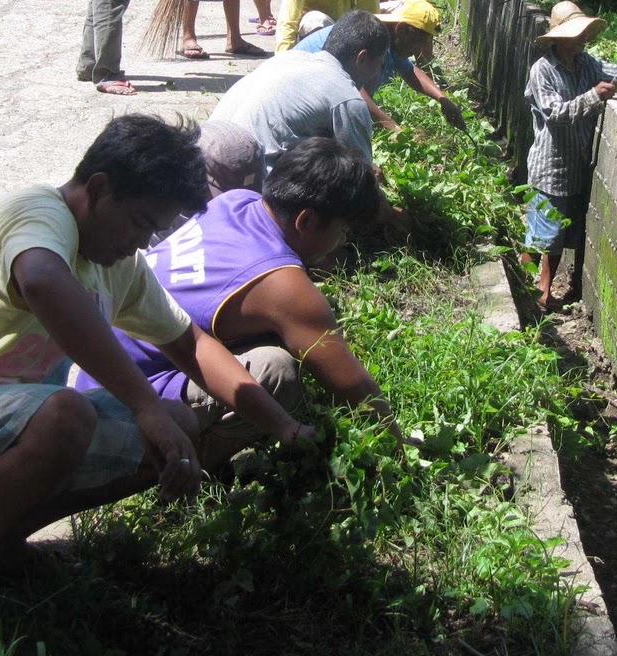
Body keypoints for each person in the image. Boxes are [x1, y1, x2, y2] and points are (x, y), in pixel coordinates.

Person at [0, 115, 314, 656]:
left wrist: (284, 426)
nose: (142, 243)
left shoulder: (116, 265)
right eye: (140, 222)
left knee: (178, 423)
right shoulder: (37, 215)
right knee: (69, 415)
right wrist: (142, 404)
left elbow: (190, 344)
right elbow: (41, 280)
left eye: (154, 230)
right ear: (99, 188)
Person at [72, 138, 397, 469]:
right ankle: (179, 469)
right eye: (342, 231)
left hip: (100, 374)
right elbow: (353, 386)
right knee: (276, 371)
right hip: (124, 405)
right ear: (306, 221)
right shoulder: (281, 285)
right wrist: (399, 449)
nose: (341, 242)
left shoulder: (237, 201)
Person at [523, 1, 617, 311]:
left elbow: (616, 72)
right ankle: (527, 286)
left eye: (584, 35)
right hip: (550, 167)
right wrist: (594, 96)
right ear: (559, 38)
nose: (583, 40)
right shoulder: (543, 70)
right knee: (542, 234)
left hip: (575, 166)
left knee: (558, 234)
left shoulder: (585, 63)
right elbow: (555, 114)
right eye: (577, 35)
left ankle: (542, 289)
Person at [212, 9, 389, 182]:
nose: (376, 73)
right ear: (362, 59)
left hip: (205, 153)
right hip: (241, 178)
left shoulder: (291, 58)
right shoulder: (347, 96)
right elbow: (363, 180)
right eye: (379, 64)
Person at [296, 0, 465, 131]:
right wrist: (389, 125)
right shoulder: (369, 37)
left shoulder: (389, 38)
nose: (416, 52)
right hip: (301, 97)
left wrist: (443, 99)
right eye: (416, 44)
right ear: (401, 29)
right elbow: (351, 88)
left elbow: (409, 71)